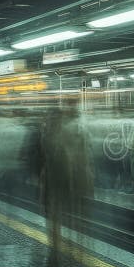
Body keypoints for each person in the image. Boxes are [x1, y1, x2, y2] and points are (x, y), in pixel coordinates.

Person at [39, 102, 94, 253]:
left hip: (59, 177)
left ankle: (57, 244)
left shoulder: (54, 133)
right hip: (59, 177)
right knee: (64, 210)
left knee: (57, 210)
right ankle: (64, 243)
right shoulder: (67, 132)